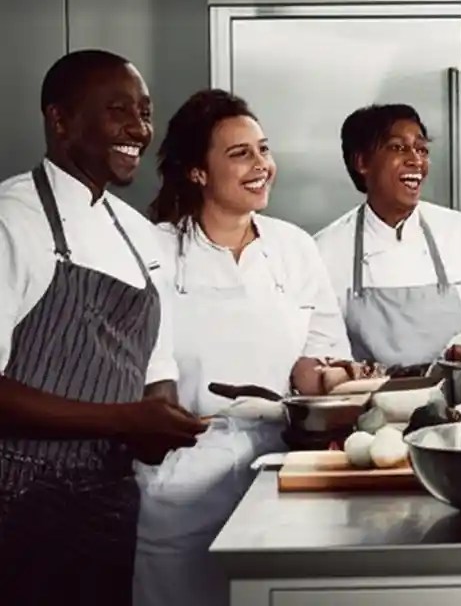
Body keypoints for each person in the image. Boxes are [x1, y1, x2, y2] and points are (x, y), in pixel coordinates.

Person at [0, 50, 206, 606]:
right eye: (118, 111)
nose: (138, 128)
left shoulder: (139, 235)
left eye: (145, 111)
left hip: (109, 499)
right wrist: (124, 418)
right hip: (16, 501)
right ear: (59, 119)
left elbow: (153, 368)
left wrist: (161, 423)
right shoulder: (11, 220)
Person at [133, 89, 352, 606]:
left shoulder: (294, 247)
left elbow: (313, 360)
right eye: (240, 154)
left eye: (263, 149)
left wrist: (337, 379)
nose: (262, 165)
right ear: (196, 172)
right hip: (181, 474)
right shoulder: (153, 250)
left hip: (276, 463)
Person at [314, 104, 461, 366]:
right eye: (398, 148)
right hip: (368, 403)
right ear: (362, 162)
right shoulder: (325, 250)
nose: (416, 160)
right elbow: (325, 352)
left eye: (422, 149)